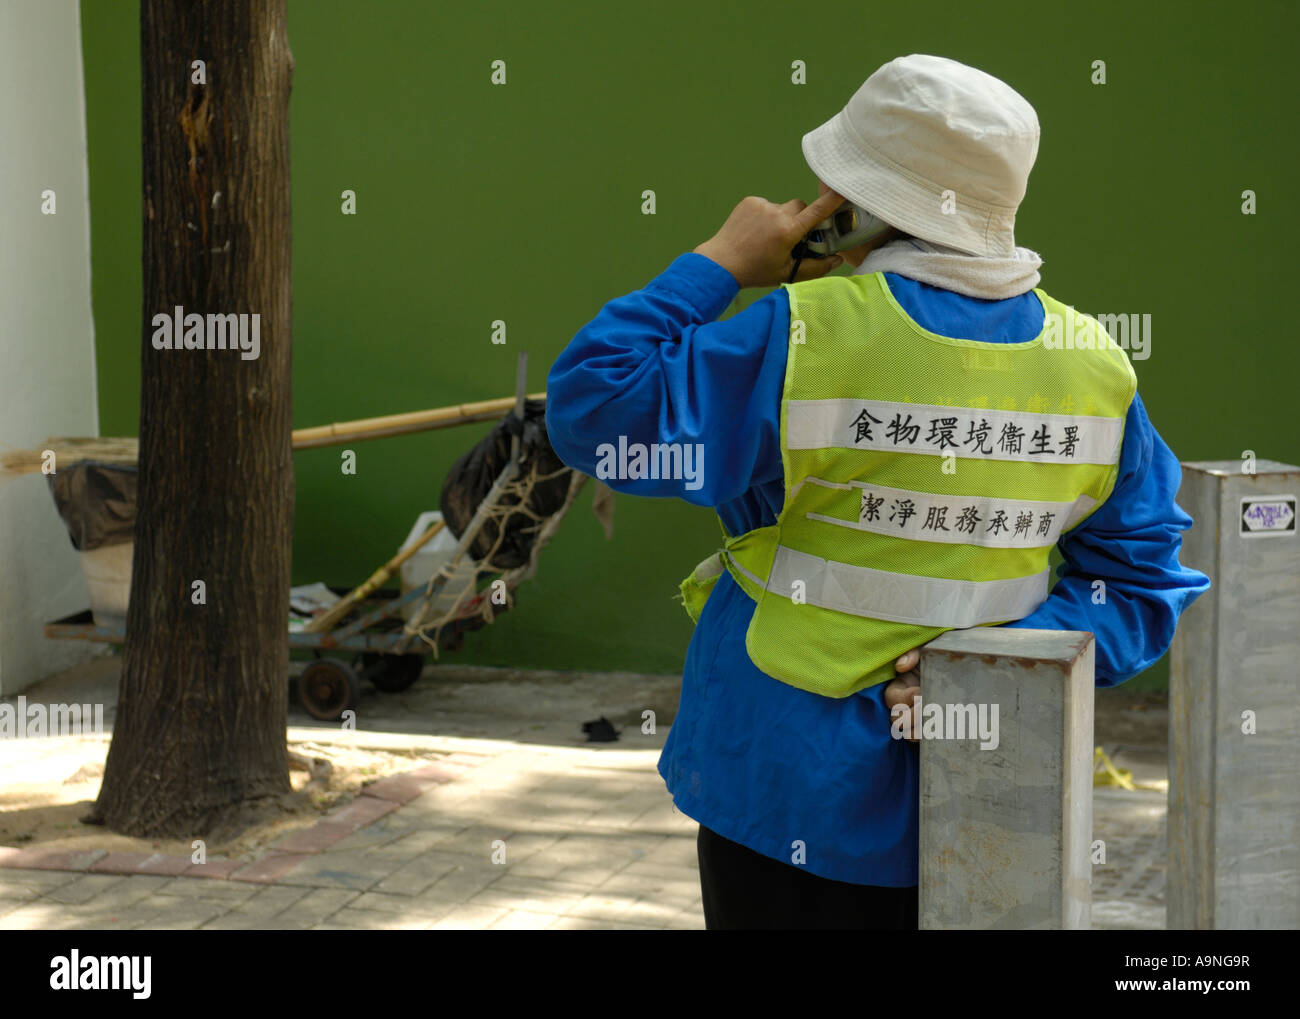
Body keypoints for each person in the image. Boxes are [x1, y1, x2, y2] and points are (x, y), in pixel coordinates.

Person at [545, 54, 1210, 930]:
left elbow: (593, 407)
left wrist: (716, 263)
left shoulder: (801, 334)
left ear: (854, 207)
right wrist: (991, 671)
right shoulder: (1094, 368)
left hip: (787, 790)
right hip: (990, 791)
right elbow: (1141, 583)